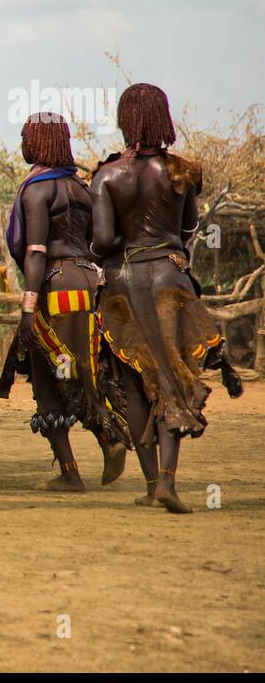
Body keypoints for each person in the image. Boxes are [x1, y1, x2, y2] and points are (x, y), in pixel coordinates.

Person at [91, 83, 237, 513]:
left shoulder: (107, 175)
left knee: (135, 379)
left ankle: (153, 483)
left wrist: (123, 240)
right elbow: (189, 227)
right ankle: (169, 482)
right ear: (163, 118)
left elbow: (100, 241)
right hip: (172, 277)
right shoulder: (182, 172)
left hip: (122, 284)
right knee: (173, 373)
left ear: (125, 121)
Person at [0, 112, 130, 490]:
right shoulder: (81, 188)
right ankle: (105, 440)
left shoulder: (38, 190)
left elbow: (36, 252)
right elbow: (98, 243)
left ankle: (79, 464)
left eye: (26, 136)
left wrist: (28, 307)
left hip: (55, 286)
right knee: (84, 369)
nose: (22, 143)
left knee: (50, 374)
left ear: (39, 142)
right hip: (88, 283)